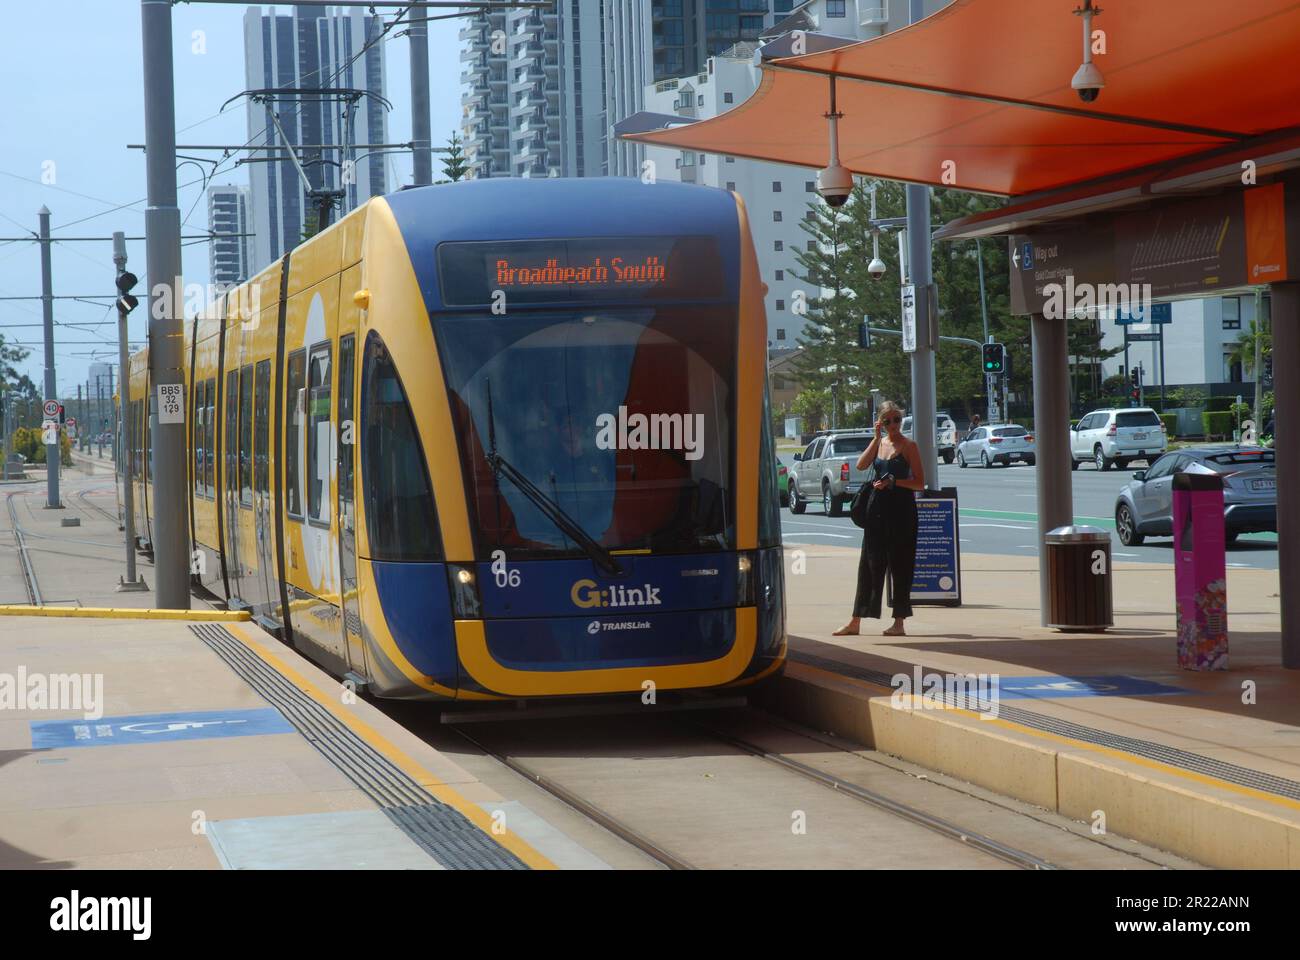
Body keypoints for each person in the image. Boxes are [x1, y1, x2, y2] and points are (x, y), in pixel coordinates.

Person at [834, 400, 926, 637]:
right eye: (888, 421)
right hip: (877, 513)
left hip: (902, 513)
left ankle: (899, 622)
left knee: (901, 567)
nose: (894, 424)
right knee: (869, 566)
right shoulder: (880, 442)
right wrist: (875, 438)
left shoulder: (909, 446)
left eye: (898, 419)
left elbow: (918, 482)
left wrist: (894, 482)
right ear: (881, 422)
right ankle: (856, 620)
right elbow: (861, 464)